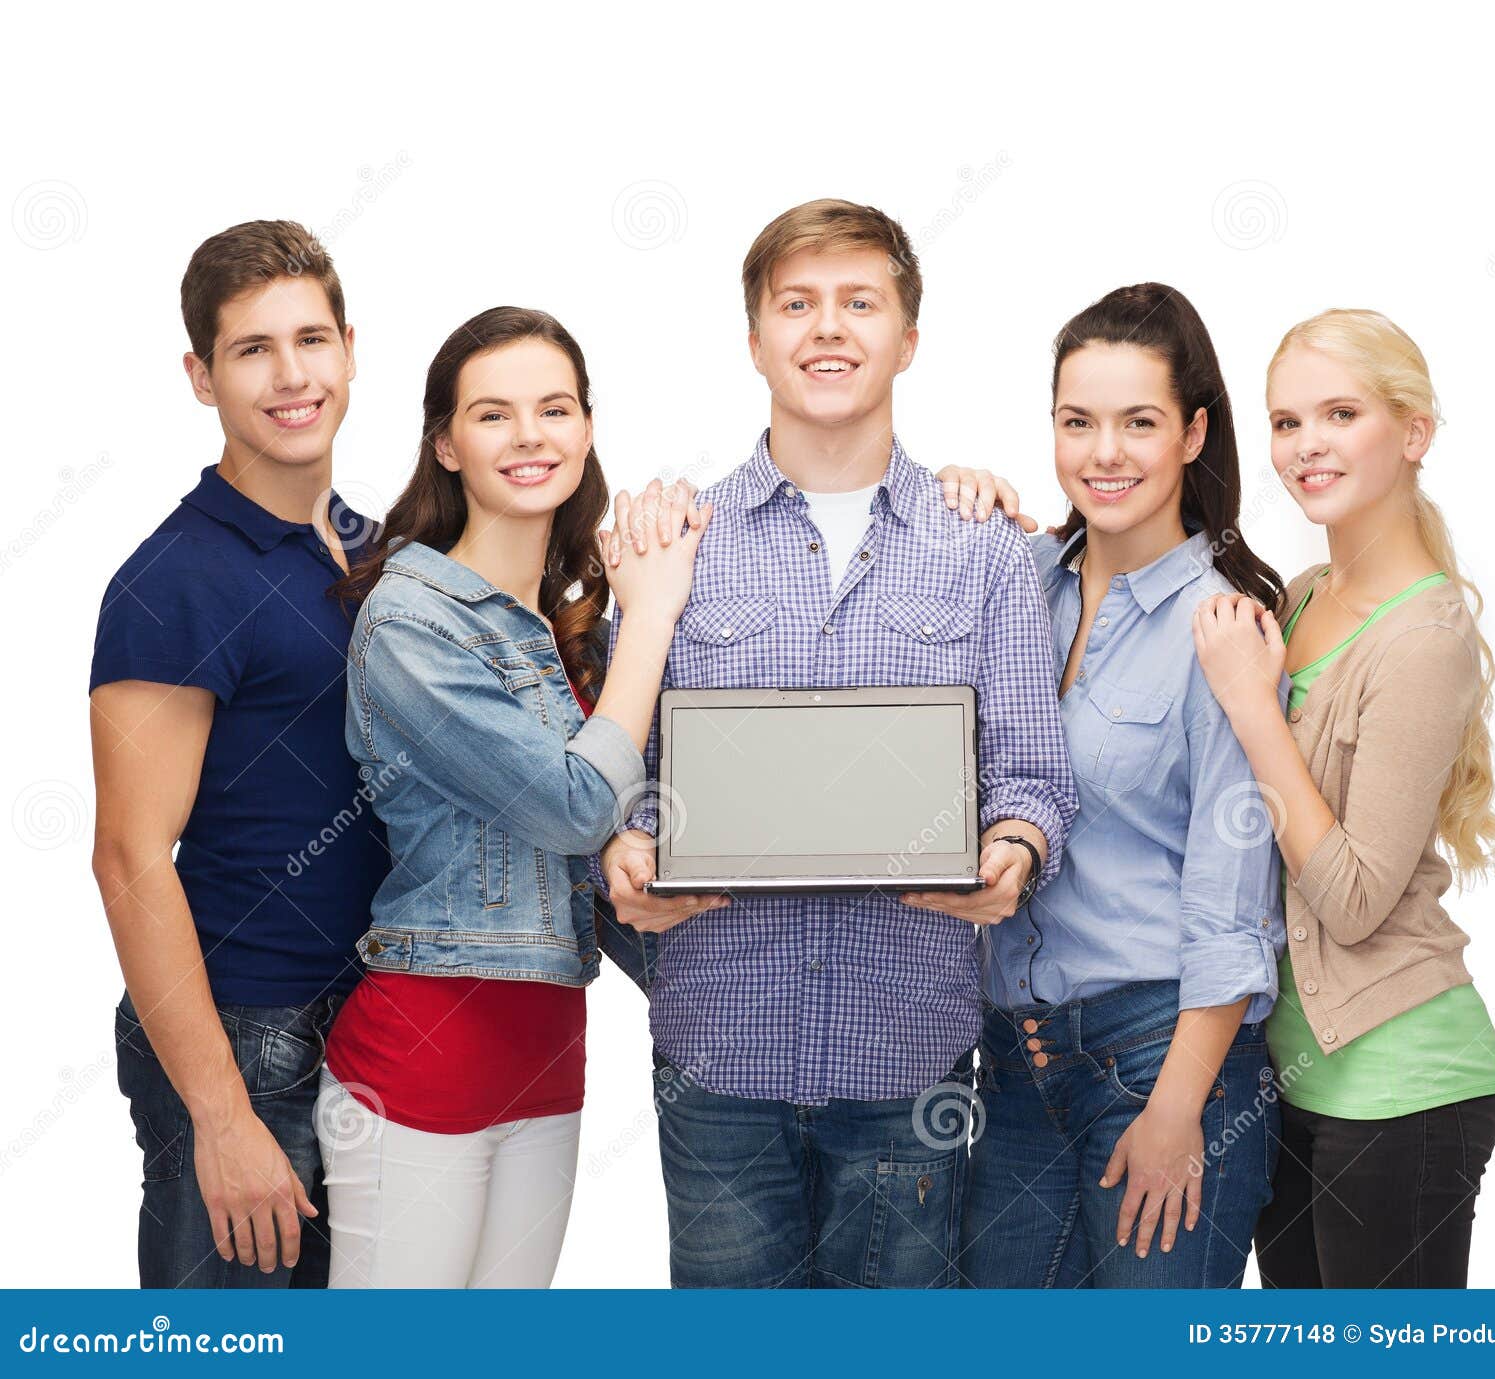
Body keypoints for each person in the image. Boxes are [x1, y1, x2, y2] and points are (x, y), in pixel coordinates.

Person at [594, 198, 1077, 1289]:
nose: (827, 328)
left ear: (907, 338)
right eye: (797, 304)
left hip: (909, 1051)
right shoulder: (676, 545)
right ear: (755, 338)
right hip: (719, 1048)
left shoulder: (983, 551)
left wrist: (1014, 847)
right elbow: (629, 770)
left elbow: (1032, 773)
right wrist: (625, 847)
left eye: (859, 303)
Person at [314, 307, 711, 1287]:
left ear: (585, 428)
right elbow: (575, 801)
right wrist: (652, 609)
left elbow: (614, 816)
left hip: (547, 1056)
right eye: (494, 414)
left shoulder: (567, 620)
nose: (530, 434)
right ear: (445, 442)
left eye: (555, 407)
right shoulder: (412, 621)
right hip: (421, 1059)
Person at [953, 284, 1287, 1287]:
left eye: (1138, 422)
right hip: (1011, 1066)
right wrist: (948, 486)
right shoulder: (1012, 580)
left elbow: (1231, 900)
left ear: (1191, 432)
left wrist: (1178, 1108)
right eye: (1076, 421)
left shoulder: (1223, 627)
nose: (1104, 452)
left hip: (1160, 1053)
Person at [1191, 308, 1495, 1288]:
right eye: (1286, 421)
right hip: (1291, 1075)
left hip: (1404, 1079)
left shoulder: (1424, 634)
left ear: (1412, 432)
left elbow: (1357, 895)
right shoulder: (1300, 596)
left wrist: (1254, 707)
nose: (1305, 445)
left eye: (1340, 412)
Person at [90, 220, 387, 1287]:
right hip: (245, 1035)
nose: (292, 374)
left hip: (379, 1029)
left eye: (311, 339)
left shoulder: (376, 543)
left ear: (351, 348)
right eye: (252, 348)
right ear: (201, 376)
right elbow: (128, 855)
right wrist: (219, 1115)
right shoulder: (173, 579)